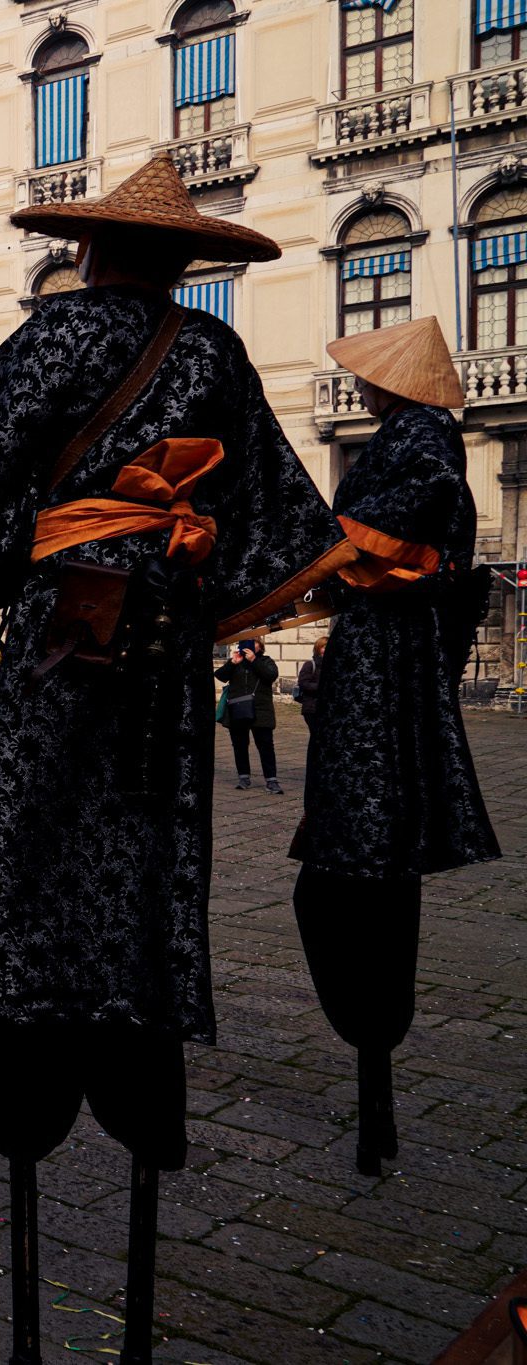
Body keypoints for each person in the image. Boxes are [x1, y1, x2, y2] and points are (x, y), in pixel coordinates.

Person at [0, 152, 352, 1363]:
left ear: (88, 249)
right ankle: (133, 1050)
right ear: (178, 263)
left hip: (61, 641)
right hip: (159, 659)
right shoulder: (211, 354)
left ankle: (24, 1071)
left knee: (27, 852)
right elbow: (277, 522)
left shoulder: (42, 342)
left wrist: (52, 549)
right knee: (147, 843)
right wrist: (175, 560)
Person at [291, 315, 501, 1175]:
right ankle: (373, 1081)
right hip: (384, 665)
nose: (361, 385)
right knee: (368, 880)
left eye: (372, 375)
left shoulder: (420, 441)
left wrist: (322, 559)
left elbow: (370, 538)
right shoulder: (420, 441)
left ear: (394, 384)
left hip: (383, 674)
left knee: (354, 881)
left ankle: (374, 1075)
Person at [215, 638, 281, 793]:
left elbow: (271, 675)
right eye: (244, 643)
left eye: (253, 643)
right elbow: (219, 675)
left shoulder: (266, 661)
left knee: (265, 746)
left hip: (261, 711)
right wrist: (232, 663)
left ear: (260, 647)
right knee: (240, 746)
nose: (248, 646)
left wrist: (254, 661)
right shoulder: (237, 662)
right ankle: (243, 777)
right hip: (238, 710)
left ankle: (271, 780)